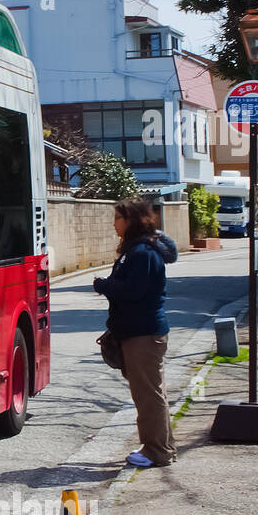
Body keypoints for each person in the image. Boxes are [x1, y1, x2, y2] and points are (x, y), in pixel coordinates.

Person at [93, 198, 178, 468]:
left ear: (130, 220)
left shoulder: (142, 252)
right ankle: (160, 447)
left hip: (143, 333)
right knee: (151, 393)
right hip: (139, 332)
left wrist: (104, 285)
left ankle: (156, 451)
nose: (113, 223)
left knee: (148, 395)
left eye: (117, 218)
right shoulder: (138, 250)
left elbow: (133, 291)